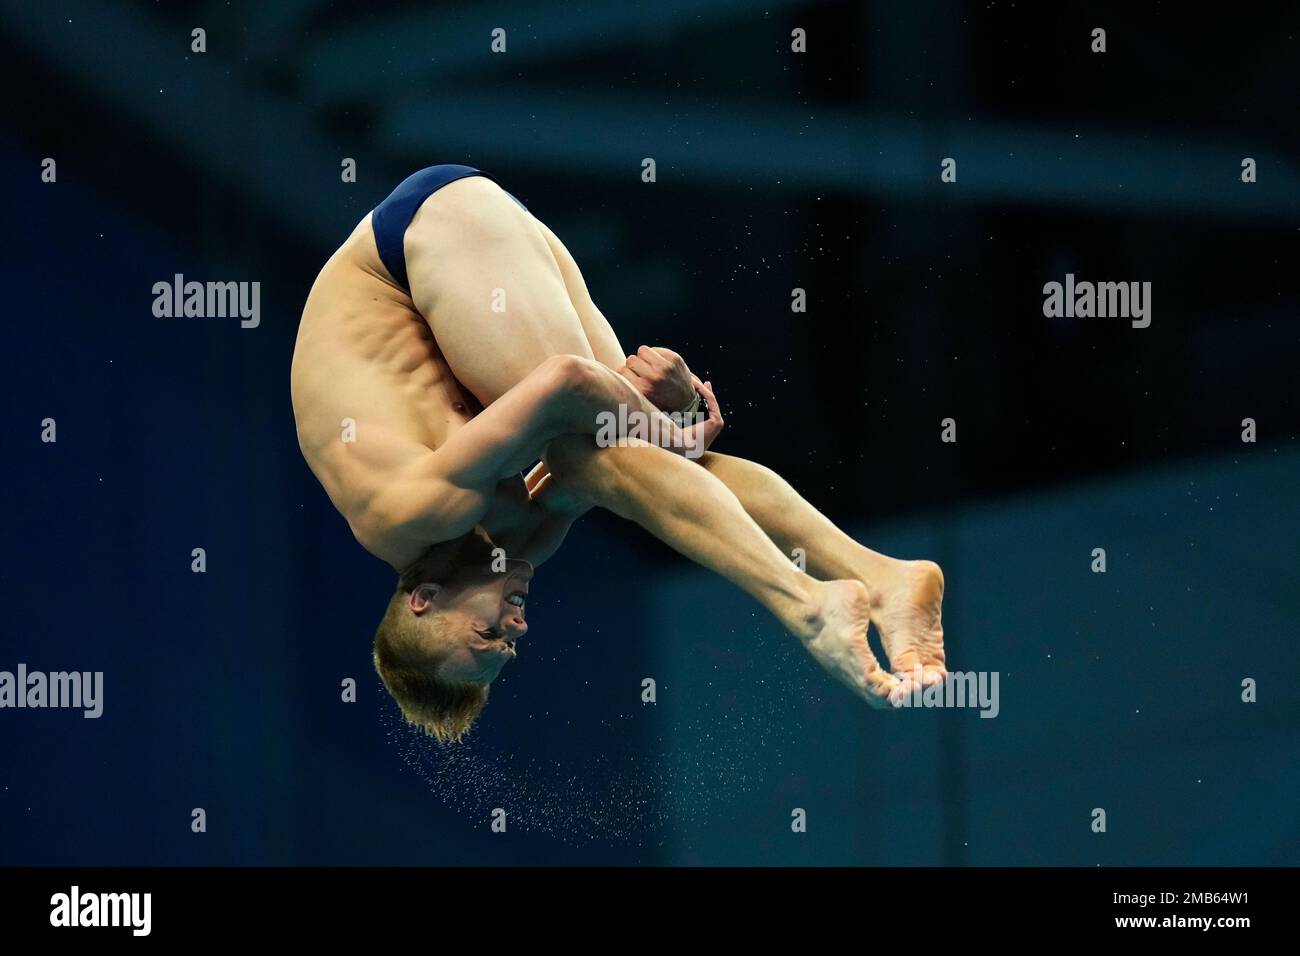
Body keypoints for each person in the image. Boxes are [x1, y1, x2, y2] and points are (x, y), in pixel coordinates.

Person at [290, 165, 947, 743]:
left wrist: (660, 431)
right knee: (597, 457)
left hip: (418, 239)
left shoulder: (407, 512)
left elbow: (568, 385)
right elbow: (618, 459)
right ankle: (883, 576)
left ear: (423, 600)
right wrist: (677, 417)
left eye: (487, 635)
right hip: (482, 247)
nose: (515, 630)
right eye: (509, 648)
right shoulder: (515, 540)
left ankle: (805, 605)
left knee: (591, 438)